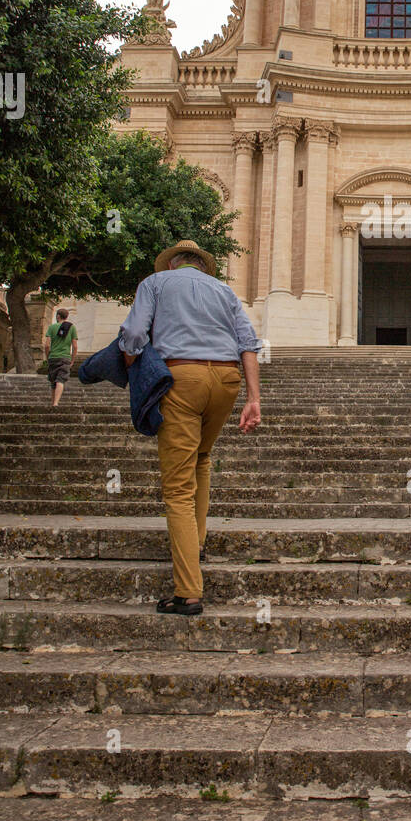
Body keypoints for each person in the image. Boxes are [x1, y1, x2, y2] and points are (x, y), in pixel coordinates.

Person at [118, 239, 262, 618]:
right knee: (202, 456)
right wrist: (254, 398)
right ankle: (195, 542)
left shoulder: (156, 283)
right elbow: (249, 342)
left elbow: (133, 335)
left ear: (172, 264)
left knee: (177, 488)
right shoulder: (224, 290)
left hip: (182, 375)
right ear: (201, 266)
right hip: (227, 379)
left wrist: (133, 365)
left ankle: (188, 592)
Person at [44, 308, 78, 407]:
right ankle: (56, 403)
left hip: (53, 357)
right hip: (65, 357)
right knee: (61, 380)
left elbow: (46, 345)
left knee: (53, 381)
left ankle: (52, 402)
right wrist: (72, 359)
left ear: (58, 316)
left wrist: (48, 356)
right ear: (66, 316)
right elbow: (75, 346)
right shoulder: (72, 328)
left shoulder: (52, 327)